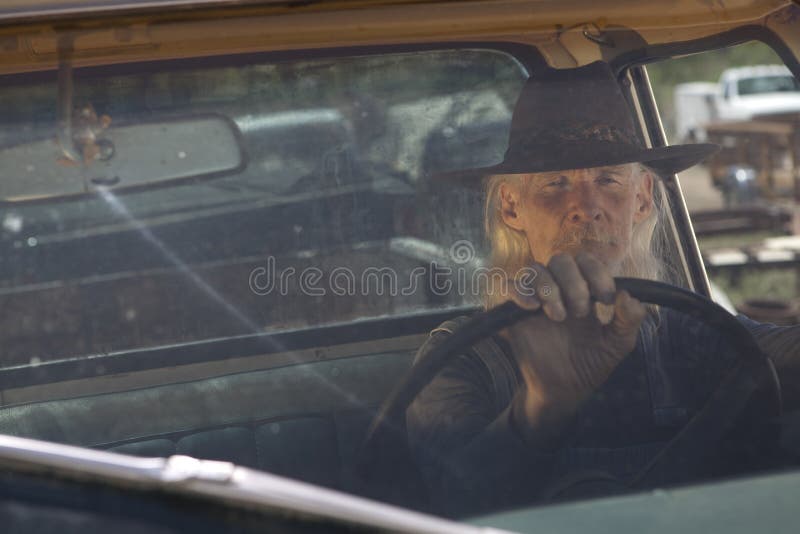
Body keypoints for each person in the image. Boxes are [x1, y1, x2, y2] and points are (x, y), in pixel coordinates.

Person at [405, 61, 800, 517]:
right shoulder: (465, 357)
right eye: (556, 183)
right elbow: (447, 503)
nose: (586, 207)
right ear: (512, 207)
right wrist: (542, 407)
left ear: (642, 198)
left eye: (608, 180)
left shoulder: (695, 335)